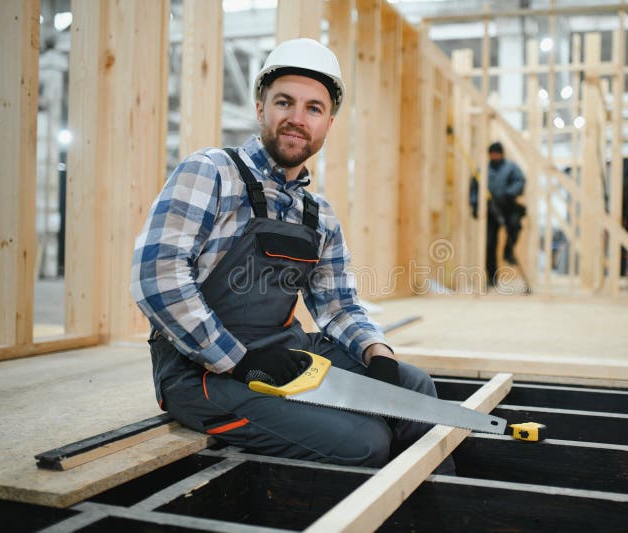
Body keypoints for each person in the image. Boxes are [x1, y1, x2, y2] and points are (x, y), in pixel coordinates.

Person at [130, 38, 454, 473]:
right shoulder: (211, 173)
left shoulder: (318, 215)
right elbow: (158, 279)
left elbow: (338, 305)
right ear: (261, 108)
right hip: (200, 373)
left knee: (412, 388)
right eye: (285, 102)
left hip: (283, 354)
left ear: (328, 124)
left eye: (313, 109)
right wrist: (239, 360)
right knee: (365, 442)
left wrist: (376, 352)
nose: (297, 119)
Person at [485, 142, 526, 285]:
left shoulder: (511, 167)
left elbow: (520, 181)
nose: (494, 156)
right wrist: (474, 204)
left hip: (508, 206)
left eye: (497, 154)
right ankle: (491, 277)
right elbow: (475, 186)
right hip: (491, 209)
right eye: (492, 154)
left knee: (515, 226)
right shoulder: (484, 169)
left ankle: (508, 252)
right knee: (489, 244)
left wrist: (510, 193)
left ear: (502, 154)